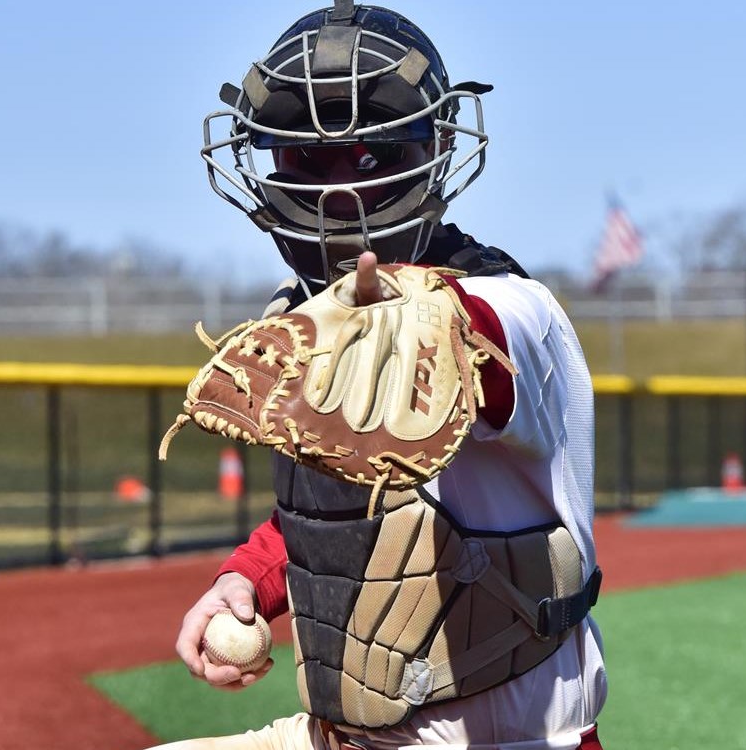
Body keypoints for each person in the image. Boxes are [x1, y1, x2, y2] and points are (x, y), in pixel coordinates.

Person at [157, 2, 606, 747]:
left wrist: (410, 319)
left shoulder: (511, 307)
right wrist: (246, 579)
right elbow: (346, 518)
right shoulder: (299, 318)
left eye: (372, 156)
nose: (339, 188)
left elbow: (476, 349)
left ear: (434, 152)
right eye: (306, 157)